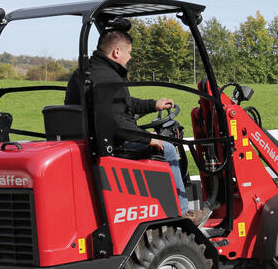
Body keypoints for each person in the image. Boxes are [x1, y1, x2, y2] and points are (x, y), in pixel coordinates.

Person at [65, 30, 207, 223]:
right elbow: (117, 124)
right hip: (110, 143)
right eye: (129, 52)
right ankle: (183, 213)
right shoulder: (109, 78)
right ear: (116, 52)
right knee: (169, 149)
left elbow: (120, 105)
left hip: (91, 139)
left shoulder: (84, 73)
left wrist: (153, 104)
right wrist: (147, 138)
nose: (130, 57)